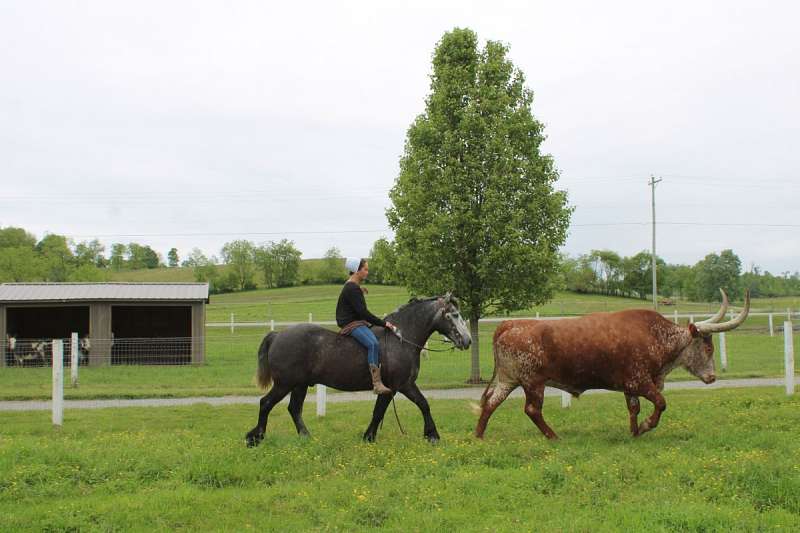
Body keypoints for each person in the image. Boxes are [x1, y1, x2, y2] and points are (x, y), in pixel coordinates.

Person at [336, 257, 396, 394]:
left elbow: (352, 296)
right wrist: (384, 323)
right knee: (373, 344)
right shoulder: (352, 288)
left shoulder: (351, 285)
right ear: (357, 271)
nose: (367, 272)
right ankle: (377, 383)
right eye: (365, 269)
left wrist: (360, 290)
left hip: (354, 320)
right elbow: (364, 313)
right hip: (351, 324)